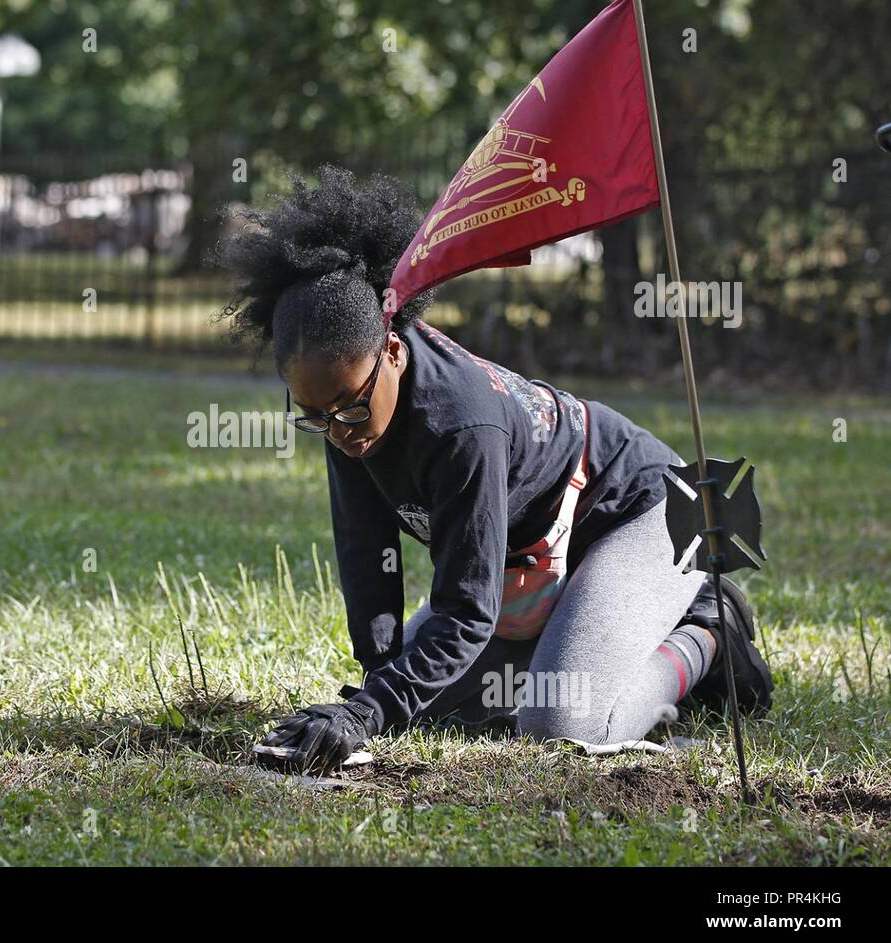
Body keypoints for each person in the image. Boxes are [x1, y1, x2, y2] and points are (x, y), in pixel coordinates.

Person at [219, 166, 772, 771]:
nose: (338, 432)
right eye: (314, 416)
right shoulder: (345, 404)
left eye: (347, 408)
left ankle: (709, 634)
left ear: (394, 352)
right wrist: (372, 699)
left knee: (559, 726)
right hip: (535, 557)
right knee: (427, 705)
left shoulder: (459, 424)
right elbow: (366, 556)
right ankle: (585, 635)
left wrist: (371, 712)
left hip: (649, 515)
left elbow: (466, 610)